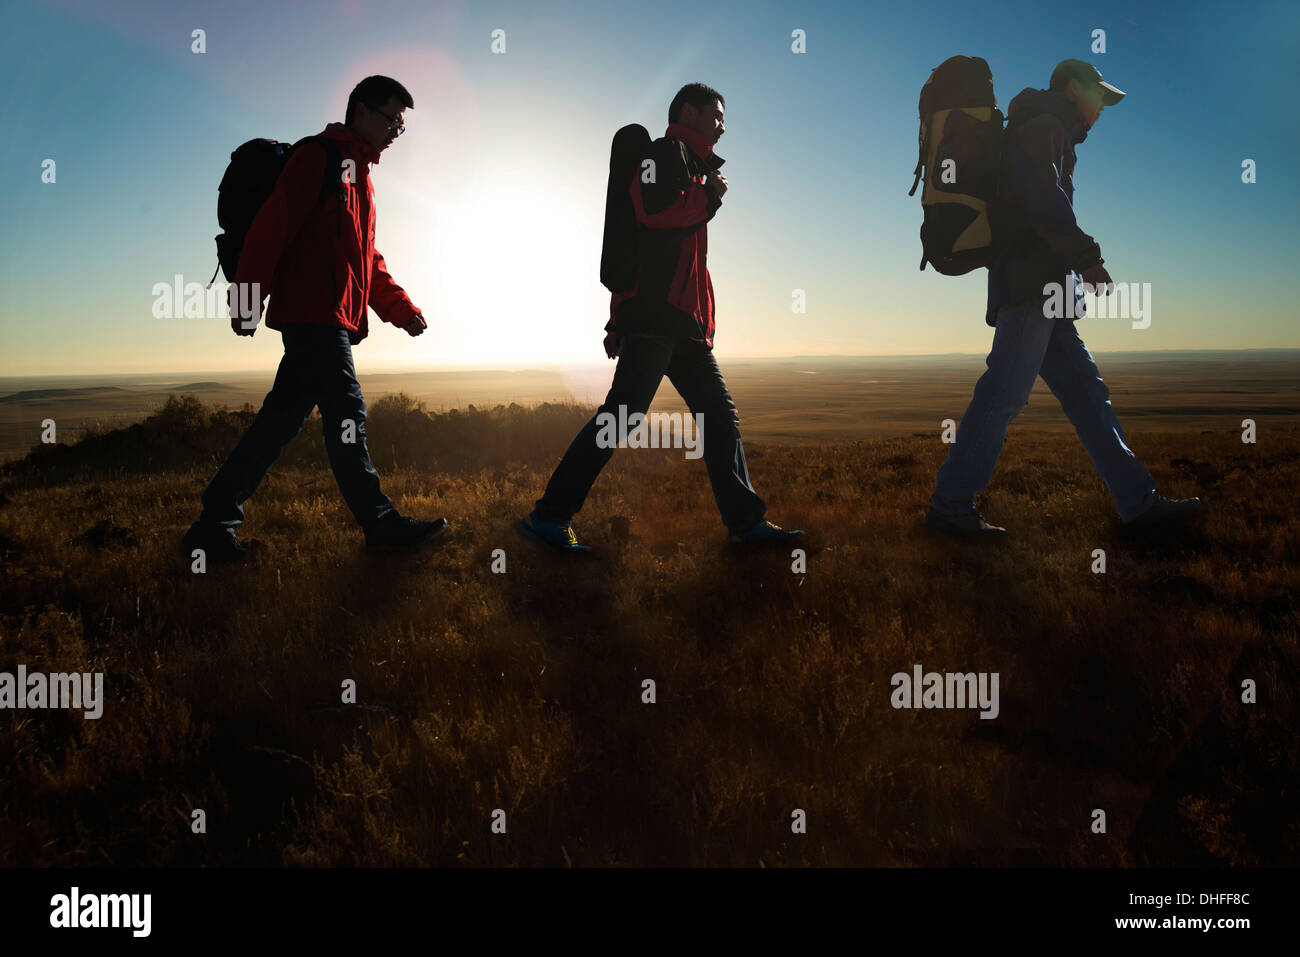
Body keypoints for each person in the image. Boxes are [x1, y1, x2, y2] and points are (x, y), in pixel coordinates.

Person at [518, 83, 802, 553]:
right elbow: (653, 213)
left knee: (719, 419)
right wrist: (710, 197)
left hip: (682, 325)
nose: (723, 125)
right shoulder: (665, 153)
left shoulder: (688, 163)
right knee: (620, 418)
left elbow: (649, 252)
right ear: (688, 111)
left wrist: (621, 319)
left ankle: (746, 525)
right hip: (655, 319)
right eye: (717, 115)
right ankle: (547, 518)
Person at [925, 60, 1202, 537]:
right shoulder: (1045, 124)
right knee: (1004, 395)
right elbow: (1043, 197)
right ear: (1074, 89)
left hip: (1047, 290)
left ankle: (1139, 503)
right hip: (1032, 286)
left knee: (1088, 397)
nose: (1102, 109)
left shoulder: (1046, 126)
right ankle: (950, 506)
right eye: (1099, 97)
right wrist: (1087, 256)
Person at [183, 75, 446, 561]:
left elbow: (366, 258)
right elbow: (270, 229)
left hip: (332, 319)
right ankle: (380, 521)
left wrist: (401, 310)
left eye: (401, 127)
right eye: (391, 120)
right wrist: (246, 301)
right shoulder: (318, 157)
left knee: (277, 425)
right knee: (348, 413)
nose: (395, 132)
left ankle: (212, 523)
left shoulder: (360, 177)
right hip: (314, 318)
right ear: (362, 110)